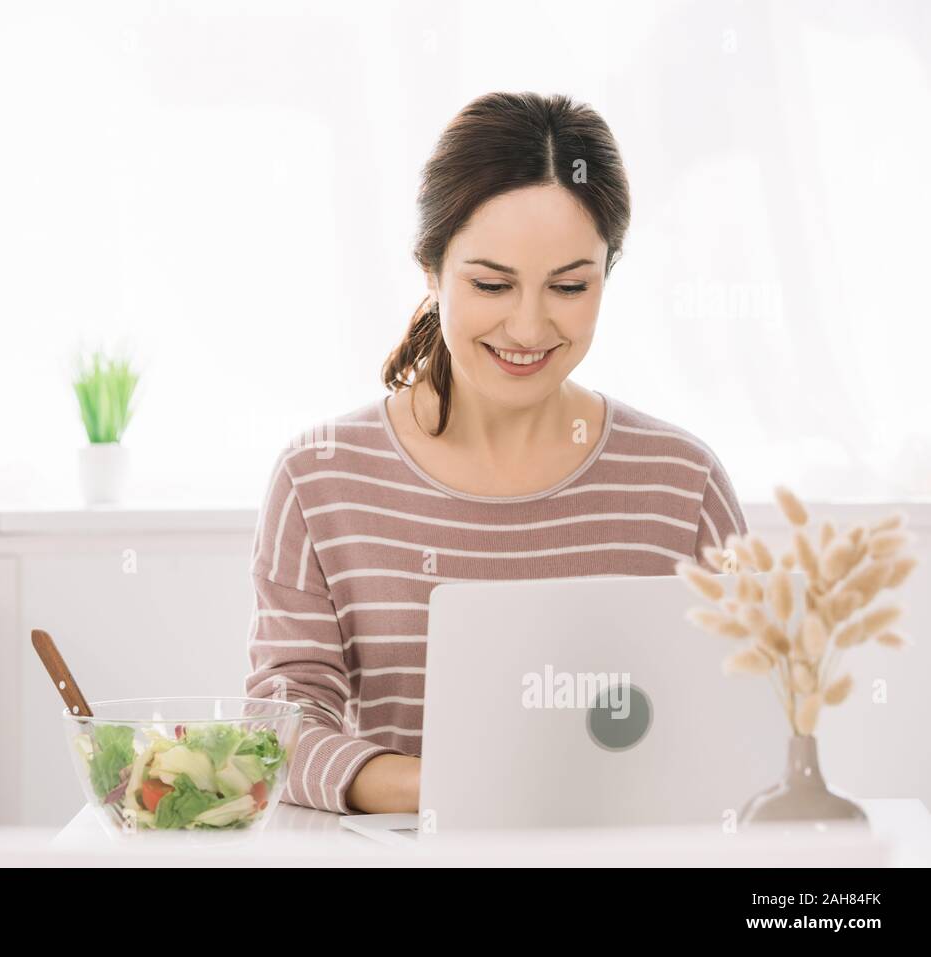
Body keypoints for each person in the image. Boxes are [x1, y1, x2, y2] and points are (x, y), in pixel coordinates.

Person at [244, 91, 748, 815]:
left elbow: (743, 718)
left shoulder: (682, 482)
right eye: (490, 283)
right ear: (431, 268)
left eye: (570, 285)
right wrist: (452, 790)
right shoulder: (320, 478)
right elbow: (280, 725)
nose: (529, 325)